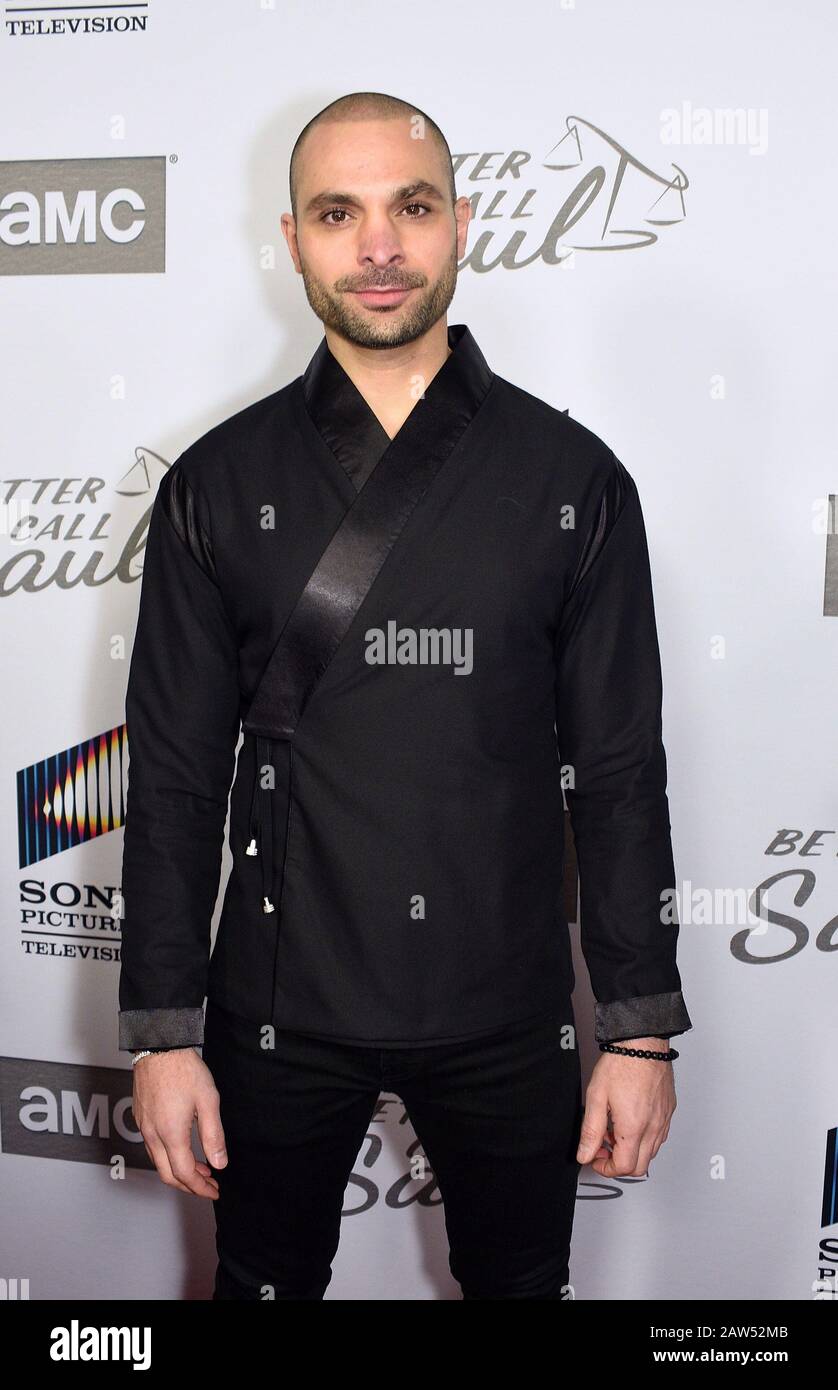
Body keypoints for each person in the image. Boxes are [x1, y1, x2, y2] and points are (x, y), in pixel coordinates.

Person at [118, 90, 692, 1301]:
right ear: (293, 240)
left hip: (507, 1001)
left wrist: (636, 1026)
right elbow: (171, 777)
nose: (377, 247)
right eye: (340, 212)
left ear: (461, 224)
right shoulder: (216, 487)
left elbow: (621, 768)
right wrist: (167, 1033)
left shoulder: (573, 480)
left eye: (410, 207)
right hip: (277, 999)